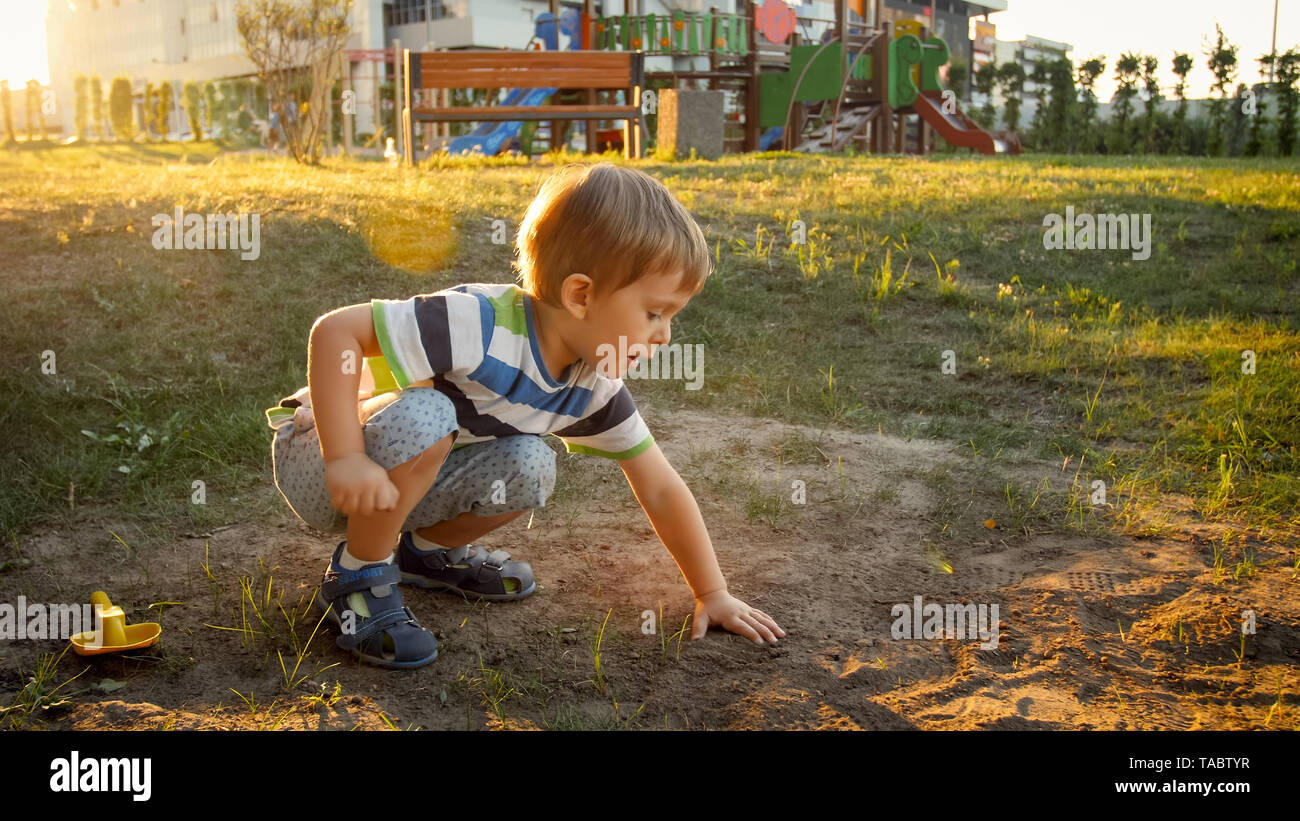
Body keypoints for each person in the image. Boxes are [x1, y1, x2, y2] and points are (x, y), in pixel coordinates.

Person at [265, 163, 785, 668]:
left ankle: (425, 555)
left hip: (402, 487)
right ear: (580, 294)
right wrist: (346, 457)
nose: (665, 334)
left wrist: (712, 592)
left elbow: (661, 488)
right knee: (430, 414)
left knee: (532, 461)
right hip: (327, 461)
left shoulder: (592, 387)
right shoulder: (480, 324)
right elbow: (336, 331)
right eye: (655, 312)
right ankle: (357, 578)